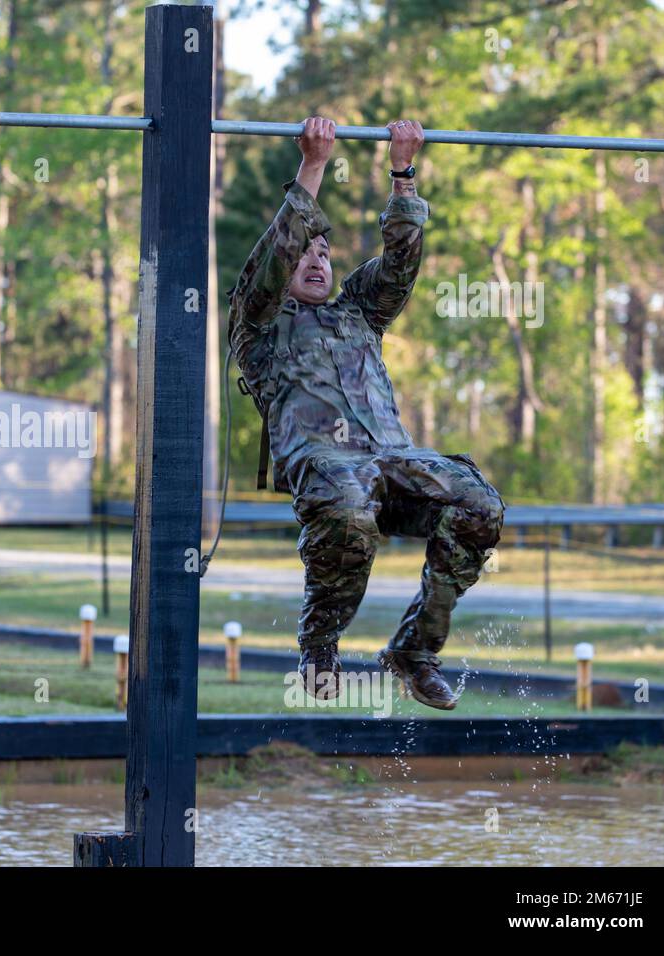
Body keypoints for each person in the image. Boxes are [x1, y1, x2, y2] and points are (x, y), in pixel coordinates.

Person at [226, 116, 504, 710]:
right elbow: (276, 255)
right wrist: (315, 164)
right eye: (305, 252)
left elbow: (401, 265)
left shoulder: (358, 312)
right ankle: (320, 645)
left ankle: (414, 650)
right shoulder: (259, 324)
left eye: (324, 251)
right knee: (351, 509)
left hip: (390, 462)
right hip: (324, 467)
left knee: (478, 504)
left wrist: (403, 174)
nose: (316, 260)